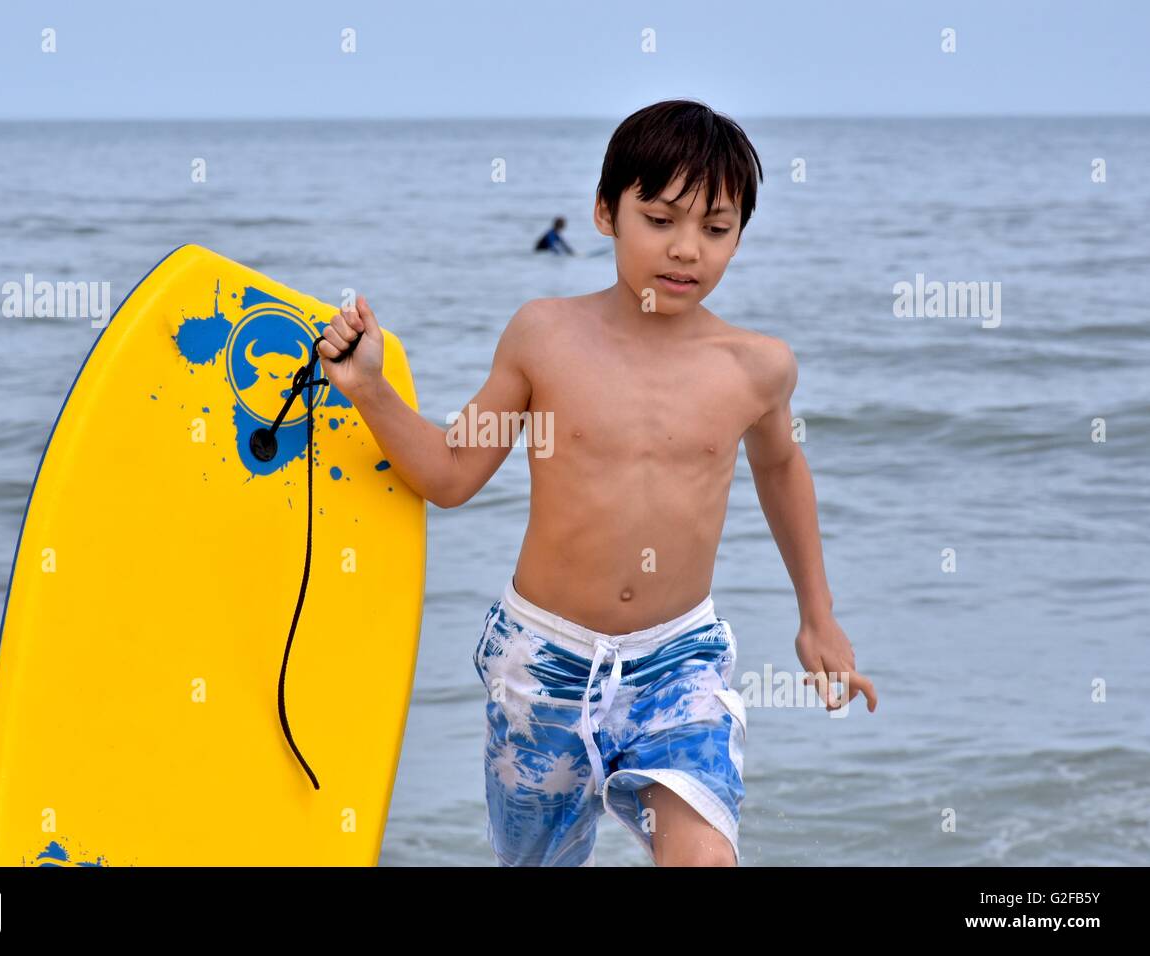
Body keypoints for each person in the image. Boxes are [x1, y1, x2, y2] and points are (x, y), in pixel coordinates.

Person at [315, 98, 878, 868]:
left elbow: (781, 466)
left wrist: (819, 615)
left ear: (740, 236)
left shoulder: (757, 367)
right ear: (606, 213)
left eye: (715, 230)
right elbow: (450, 473)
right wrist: (370, 390)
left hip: (678, 659)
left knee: (706, 859)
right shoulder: (545, 335)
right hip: (541, 662)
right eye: (661, 219)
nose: (687, 251)